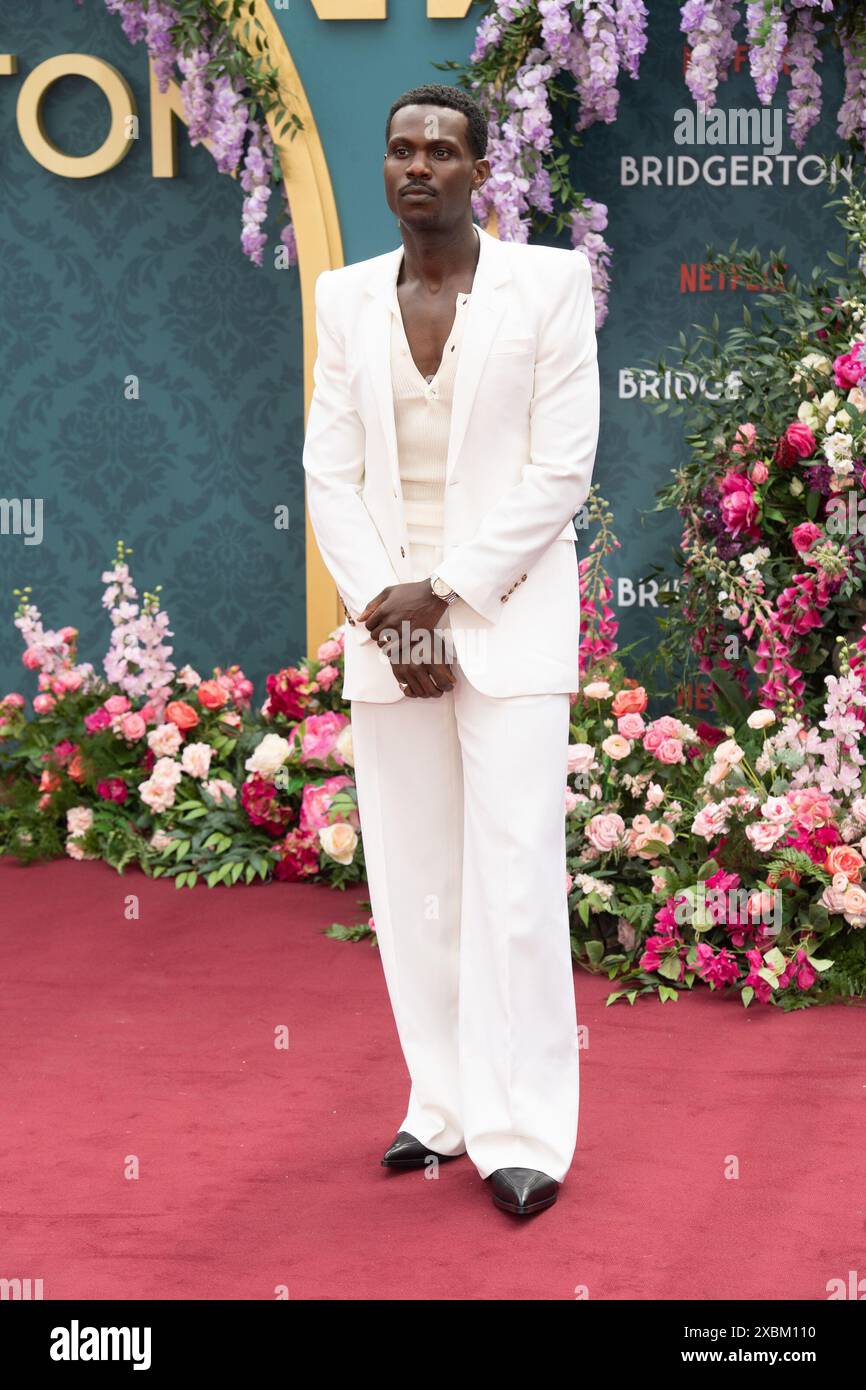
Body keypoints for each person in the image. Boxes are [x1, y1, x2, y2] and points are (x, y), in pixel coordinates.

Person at [302, 82, 600, 1217]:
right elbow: (329, 470)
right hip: (392, 627)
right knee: (415, 885)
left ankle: (523, 1131)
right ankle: (441, 1105)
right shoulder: (344, 299)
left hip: (502, 623)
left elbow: (558, 471)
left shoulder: (549, 283)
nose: (417, 165)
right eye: (399, 149)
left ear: (482, 168)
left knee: (515, 877)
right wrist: (389, 602)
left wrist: (446, 594)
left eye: (440, 149)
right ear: (382, 168)